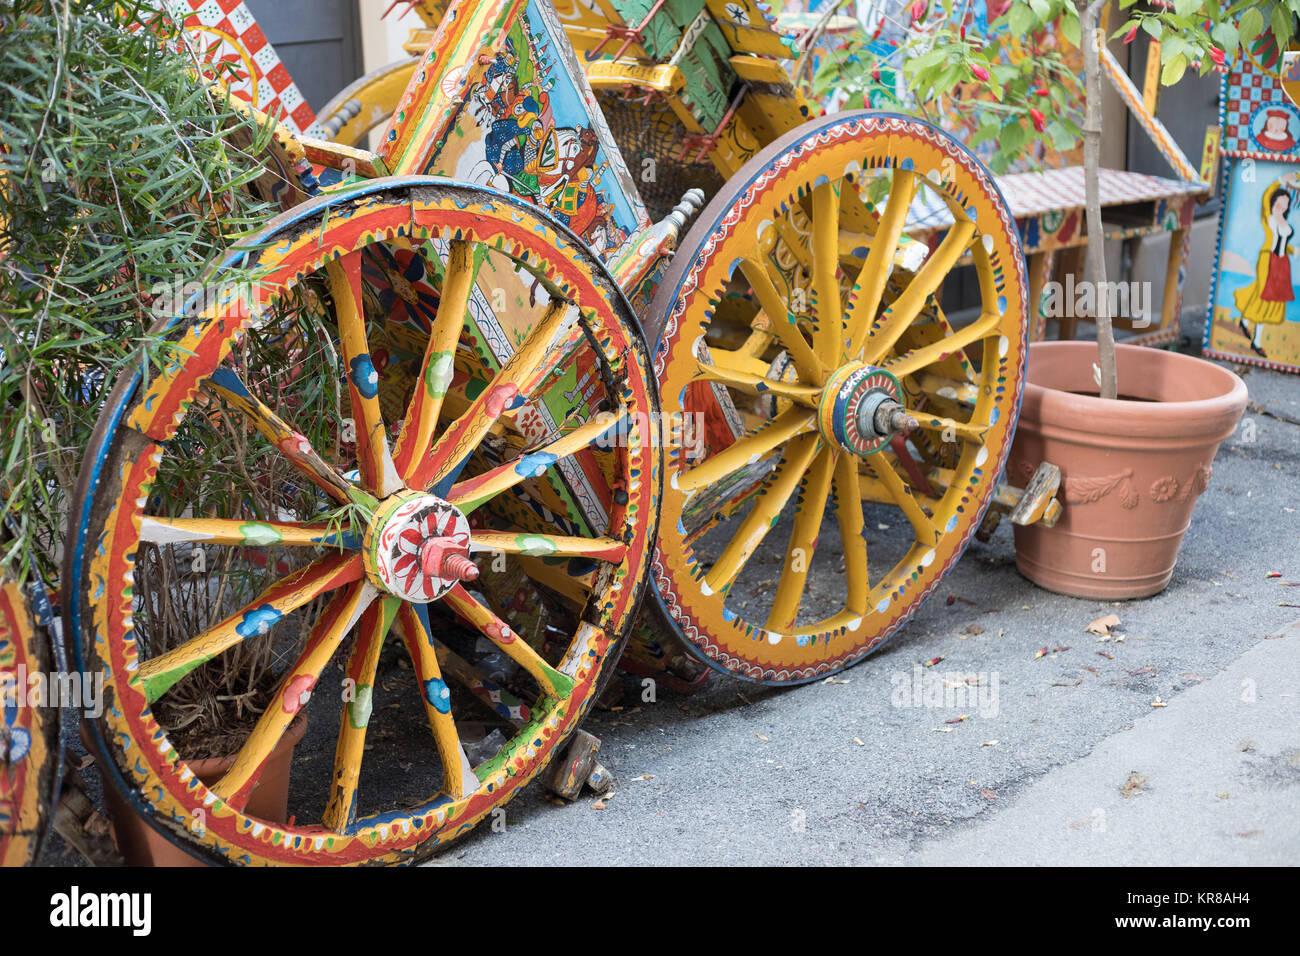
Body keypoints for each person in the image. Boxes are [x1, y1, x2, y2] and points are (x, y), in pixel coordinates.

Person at [1234, 176, 1299, 357]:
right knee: (1264, 295)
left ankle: (1246, 322)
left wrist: (1295, 251)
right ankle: (1256, 340)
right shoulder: (1269, 218)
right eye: (1280, 202)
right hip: (1266, 260)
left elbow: (1283, 243)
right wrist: (1280, 181)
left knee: (1272, 299)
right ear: (1274, 202)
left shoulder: (1284, 223)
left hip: (1282, 263)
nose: (1282, 206)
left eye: (1286, 204)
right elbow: (1265, 197)